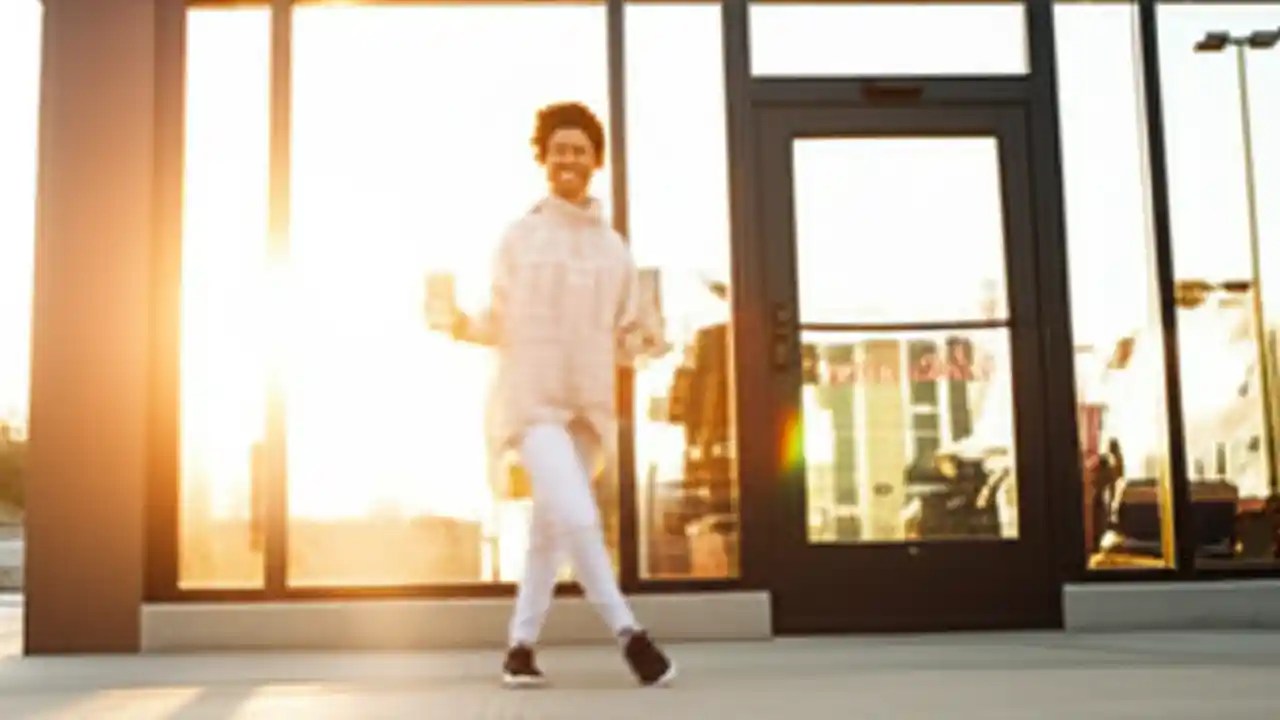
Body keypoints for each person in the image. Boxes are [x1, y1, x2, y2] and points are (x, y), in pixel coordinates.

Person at [430, 101, 675, 688]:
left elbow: (626, 335)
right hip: (531, 399)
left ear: (595, 162)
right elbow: (499, 321)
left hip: (588, 406)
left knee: (550, 529)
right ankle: (629, 634)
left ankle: (520, 648)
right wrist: (457, 321)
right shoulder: (520, 237)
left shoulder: (615, 249)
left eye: (580, 150)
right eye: (559, 148)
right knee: (577, 513)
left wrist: (647, 337)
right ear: (543, 158)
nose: (569, 158)